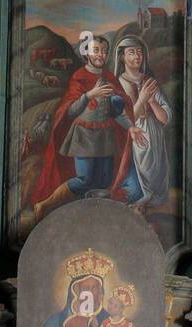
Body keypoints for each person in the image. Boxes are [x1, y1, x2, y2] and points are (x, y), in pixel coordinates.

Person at [31, 31, 146, 221]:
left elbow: (115, 110)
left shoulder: (109, 77)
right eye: (96, 50)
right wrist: (90, 94)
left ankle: (90, 218)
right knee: (84, 180)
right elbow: (70, 111)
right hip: (84, 136)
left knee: (104, 182)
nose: (100, 54)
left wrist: (130, 127)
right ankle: (44, 205)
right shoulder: (79, 77)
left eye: (103, 51)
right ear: (87, 53)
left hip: (105, 137)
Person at [112, 35, 171, 211]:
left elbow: (165, 118)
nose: (137, 57)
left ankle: (148, 198)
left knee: (155, 175)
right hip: (132, 134)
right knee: (137, 180)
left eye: (139, 53)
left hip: (153, 132)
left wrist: (152, 102)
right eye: (131, 53)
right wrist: (142, 99)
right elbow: (122, 119)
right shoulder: (118, 84)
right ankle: (142, 198)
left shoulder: (149, 81)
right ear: (122, 57)